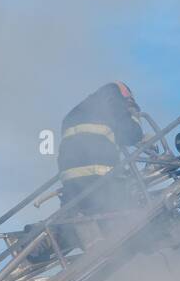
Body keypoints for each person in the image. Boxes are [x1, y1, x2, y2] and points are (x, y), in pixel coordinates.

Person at [56, 81, 145, 215]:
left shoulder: (74, 113)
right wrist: (134, 114)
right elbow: (132, 134)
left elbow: (101, 134)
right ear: (125, 95)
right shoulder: (114, 101)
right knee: (133, 205)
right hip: (100, 178)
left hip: (71, 184)